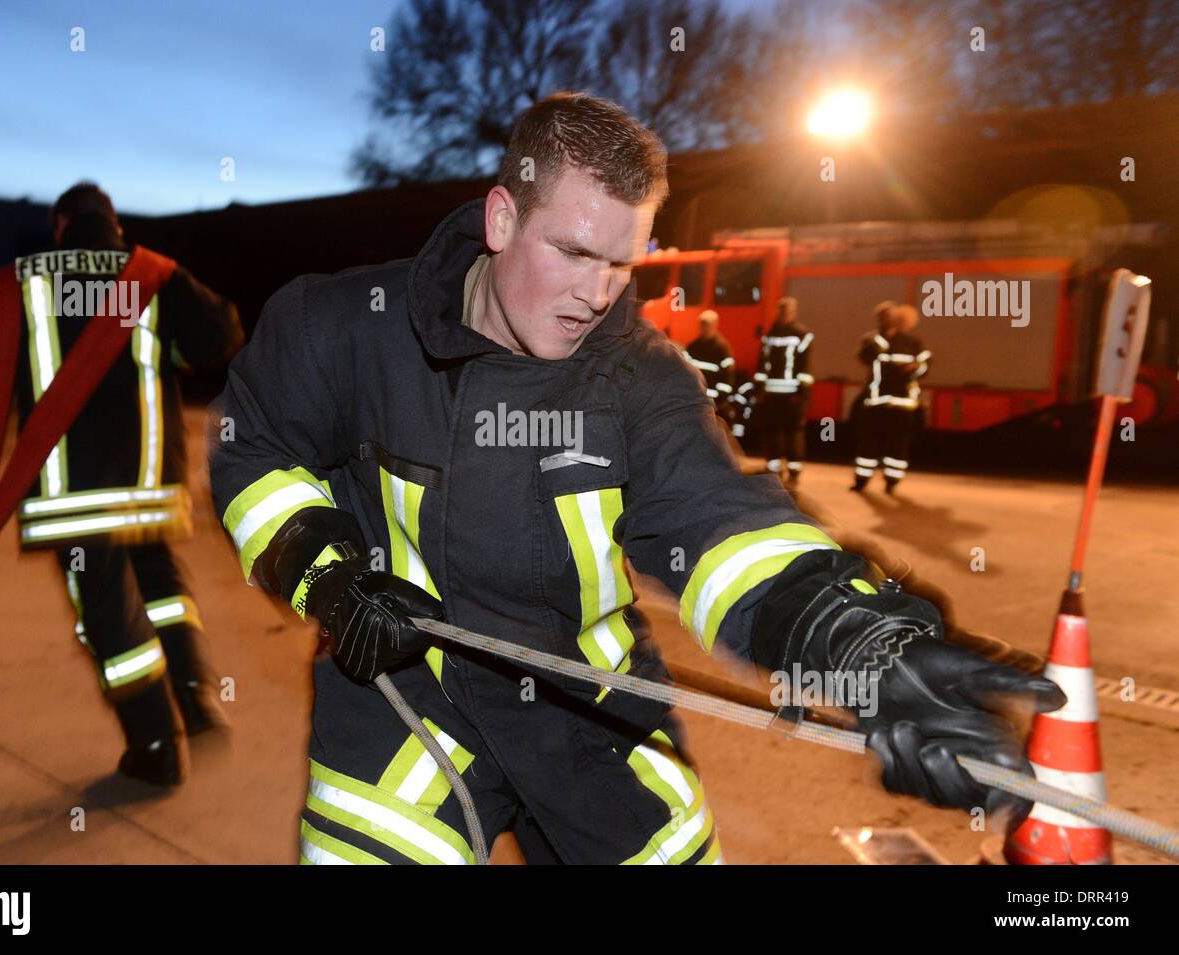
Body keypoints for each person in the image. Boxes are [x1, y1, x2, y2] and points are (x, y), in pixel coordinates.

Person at [211, 93, 1061, 865]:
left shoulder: (640, 375)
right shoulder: (342, 326)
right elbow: (253, 452)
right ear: (501, 219)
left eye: (624, 264)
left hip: (592, 712)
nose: (597, 294)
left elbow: (724, 527)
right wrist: (327, 579)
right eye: (575, 252)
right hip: (400, 701)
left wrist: (854, 643)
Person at [0, 183, 242, 784]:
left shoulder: (26, 279)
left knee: (110, 618)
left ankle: (155, 747)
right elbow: (220, 336)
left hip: (74, 494)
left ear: (60, 223)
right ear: (113, 222)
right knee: (163, 587)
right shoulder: (152, 274)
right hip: (146, 486)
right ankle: (197, 699)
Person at [851, 302, 930, 494]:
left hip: (903, 404)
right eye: (882, 316)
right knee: (869, 443)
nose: (886, 319)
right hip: (877, 402)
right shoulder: (872, 340)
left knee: (898, 446)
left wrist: (916, 368)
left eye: (889, 316)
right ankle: (862, 480)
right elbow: (865, 357)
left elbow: (925, 363)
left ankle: (892, 481)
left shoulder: (912, 342)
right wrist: (883, 341)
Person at [753, 296, 813, 485]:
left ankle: (794, 471)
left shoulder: (802, 334)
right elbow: (762, 364)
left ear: (793, 313)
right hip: (771, 395)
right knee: (772, 431)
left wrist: (801, 394)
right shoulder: (769, 334)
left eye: (787, 311)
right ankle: (773, 469)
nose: (783, 314)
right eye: (781, 310)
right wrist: (759, 389)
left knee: (793, 432)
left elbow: (805, 366)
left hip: (792, 396)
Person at [681, 309, 737, 429]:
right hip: (696, 401)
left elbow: (727, 377)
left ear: (715, 325)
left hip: (715, 403)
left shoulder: (722, 349)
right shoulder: (692, 347)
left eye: (707, 325)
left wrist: (720, 400)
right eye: (702, 325)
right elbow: (684, 372)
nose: (704, 328)